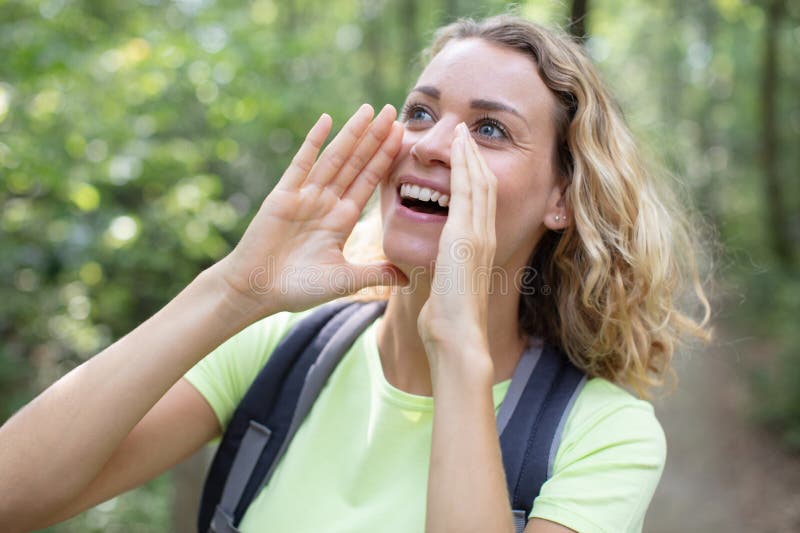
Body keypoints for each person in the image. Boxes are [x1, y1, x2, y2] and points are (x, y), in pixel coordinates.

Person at [0, 14, 710, 533]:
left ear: (561, 197)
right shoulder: (281, 350)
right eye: (421, 111)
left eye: (488, 129)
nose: (430, 144)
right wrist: (234, 289)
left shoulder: (604, 436)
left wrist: (457, 347)